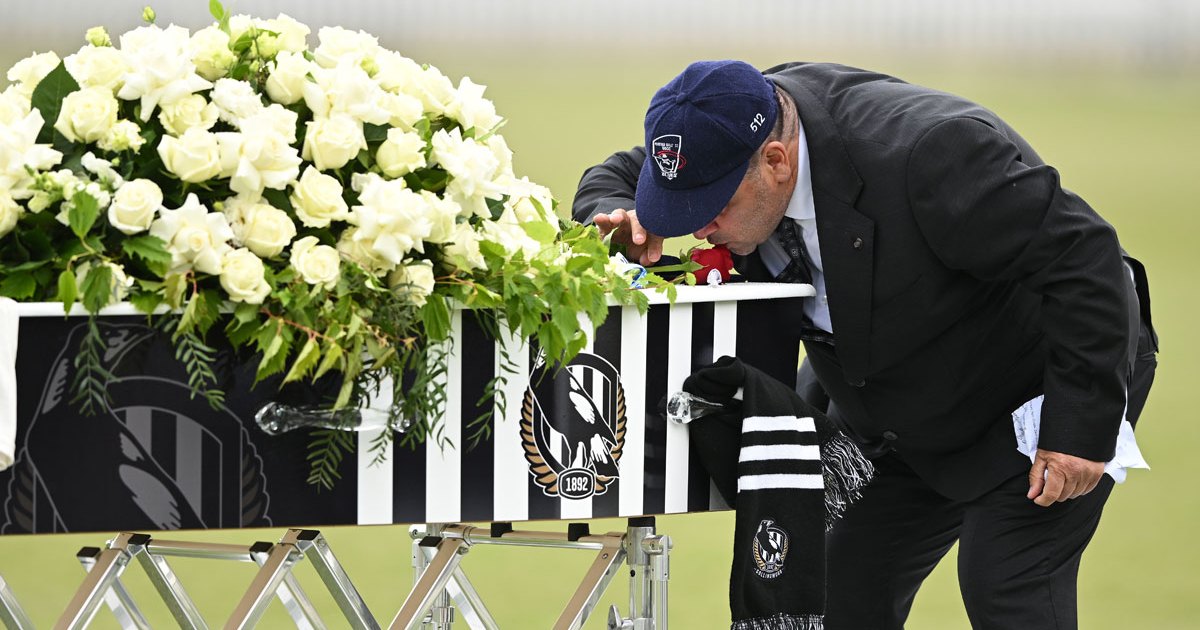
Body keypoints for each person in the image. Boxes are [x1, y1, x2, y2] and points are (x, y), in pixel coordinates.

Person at [572, 60, 1158, 629]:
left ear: (775, 161)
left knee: (1005, 582)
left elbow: (1087, 260)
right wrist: (615, 214)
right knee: (834, 590)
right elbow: (617, 173)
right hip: (896, 402)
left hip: (1036, 381)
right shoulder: (727, 124)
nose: (698, 229)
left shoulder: (933, 153)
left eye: (711, 207)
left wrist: (1079, 427)